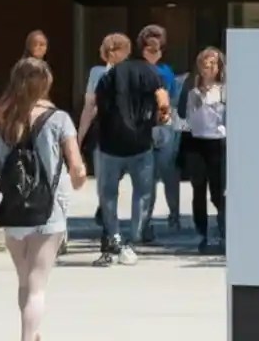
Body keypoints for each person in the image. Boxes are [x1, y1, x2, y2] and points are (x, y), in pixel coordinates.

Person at [0, 57, 86, 341]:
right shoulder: (59, 119)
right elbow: (77, 167)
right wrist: (78, 178)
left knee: (24, 281)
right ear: (45, 84)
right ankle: (28, 336)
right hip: (50, 210)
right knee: (37, 286)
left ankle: (32, 332)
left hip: (12, 209)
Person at [91, 25, 170, 267]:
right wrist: (162, 115)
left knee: (108, 194)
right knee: (143, 192)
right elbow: (162, 98)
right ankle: (133, 239)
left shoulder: (106, 78)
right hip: (140, 144)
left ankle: (113, 235)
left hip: (110, 145)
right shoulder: (148, 71)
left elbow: (97, 108)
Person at [77, 34, 131, 240]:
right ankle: (109, 220)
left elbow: (89, 107)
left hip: (121, 131)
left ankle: (110, 218)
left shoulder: (129, 71)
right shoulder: (97, 73)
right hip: (106, 131)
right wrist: (80, 136)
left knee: (111, 177)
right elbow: (89, 106)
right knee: (106, 179)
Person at [182, 47, 226, 254]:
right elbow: (183, 117)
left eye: (212, 65)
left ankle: (224, 230)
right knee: (198, 189)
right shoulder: (192, 89)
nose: (208, 69)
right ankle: (202, 233)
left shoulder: (225, 90)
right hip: (196, 142)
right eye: (204, 65)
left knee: (218, 191)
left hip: (218, 142)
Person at [143, 46, 183, 242]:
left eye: (157, 49)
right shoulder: (138, 70)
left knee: (169, 174)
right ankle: (146, 220)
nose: (153, 52)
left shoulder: (166, 71)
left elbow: (173, 100)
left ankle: (174, 214)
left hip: (165, 126)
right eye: (149, 49)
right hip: (146, 127)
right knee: (147, 177)